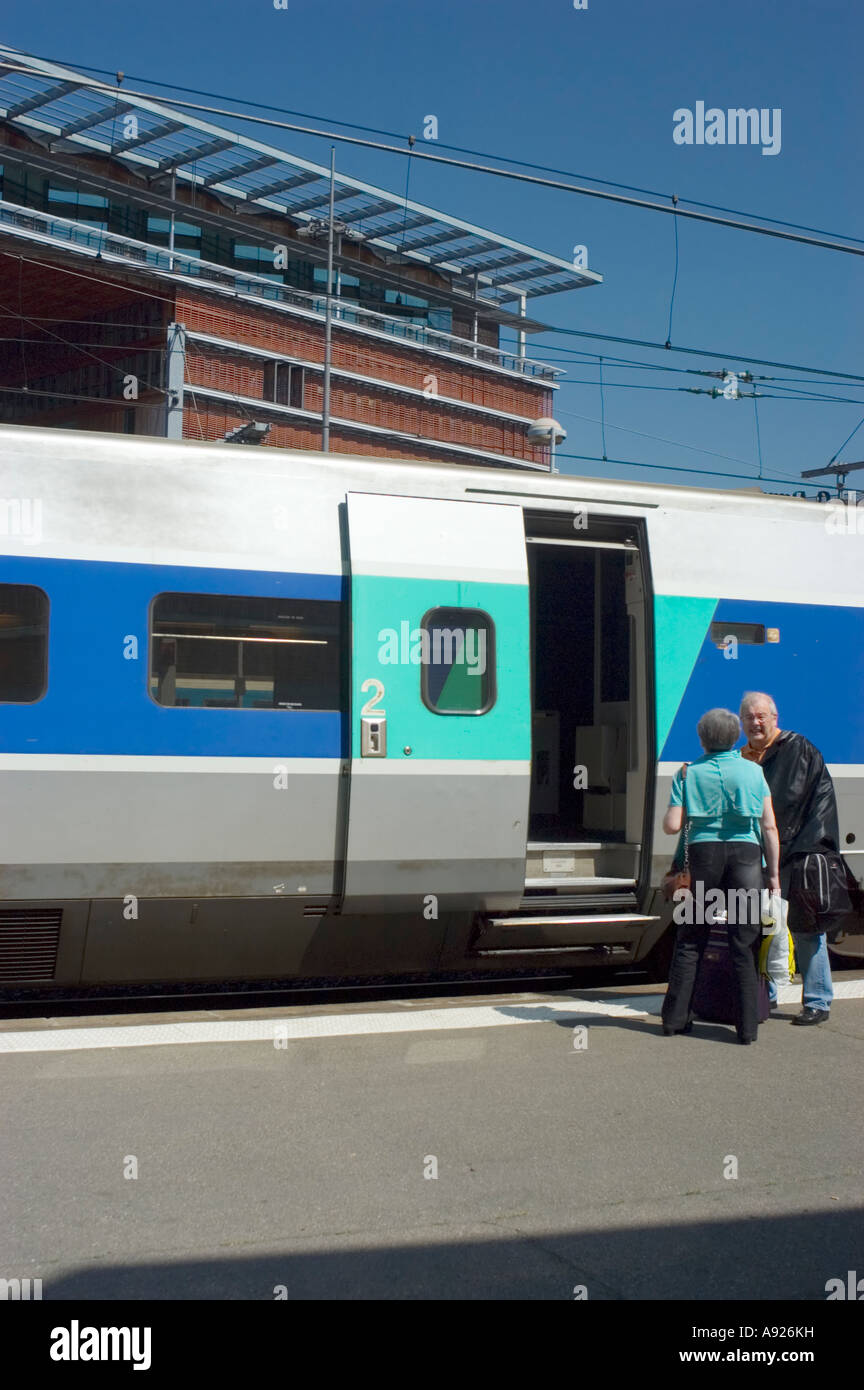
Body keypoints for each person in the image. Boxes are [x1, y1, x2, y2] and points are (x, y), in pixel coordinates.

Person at [660, 708, 780, 1045]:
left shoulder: (686, 773)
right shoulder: (754, 771)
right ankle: (747, 1029)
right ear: (735, 738)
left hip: (703, 859)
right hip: (746, 861)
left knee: (690, 940)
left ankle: (675, 1020)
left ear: (701, 738)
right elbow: (768, 826)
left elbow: (672, 826)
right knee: (743, 944)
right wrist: (772, 877)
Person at [740, 692, 842, 1026]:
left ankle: (817, 1000)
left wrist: (791, 851)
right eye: (748, 718)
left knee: (806, 930)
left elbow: (789, 805)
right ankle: (764, 999)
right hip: (761, 854)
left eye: (761, 716)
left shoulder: (797, 750)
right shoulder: (744, 757)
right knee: (763, 928)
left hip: (797, 853)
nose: (755, 723)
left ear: (774, 717)